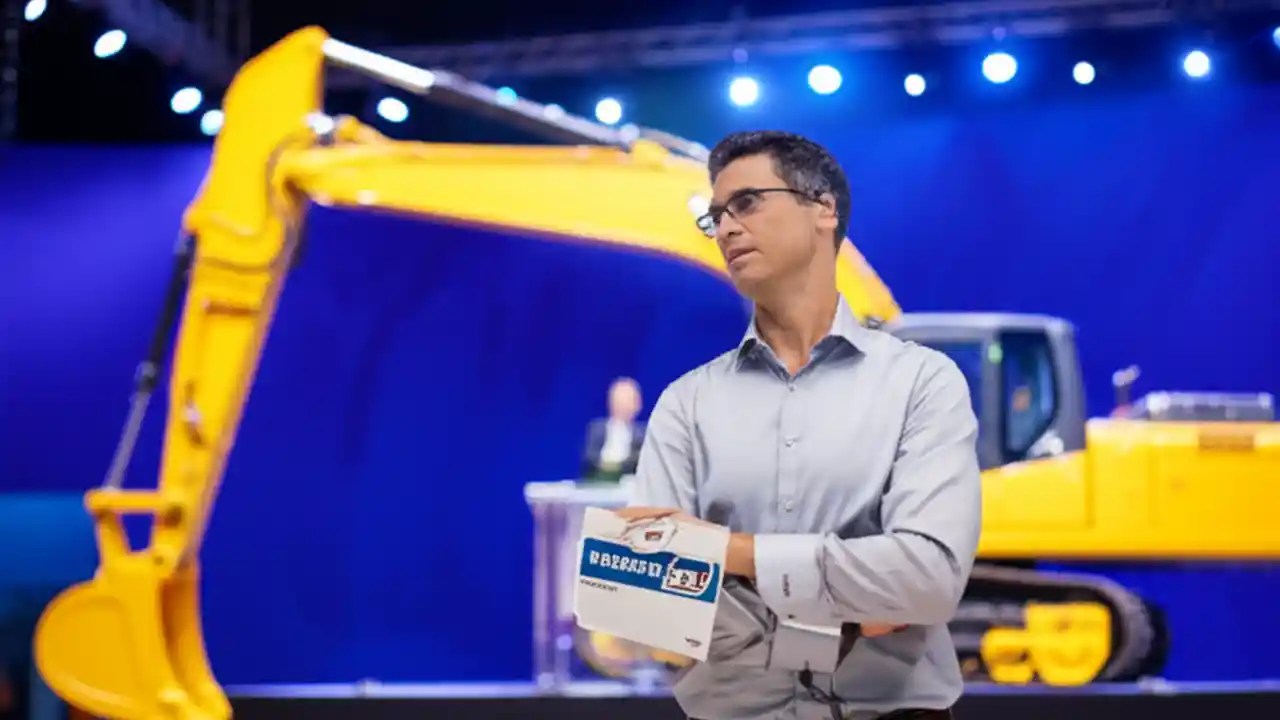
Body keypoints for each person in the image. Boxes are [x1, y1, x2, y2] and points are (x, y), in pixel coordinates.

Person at [616, 131, 981, 720]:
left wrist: (725, 553)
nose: (727, 228)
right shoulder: (686, 404)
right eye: (715, 217)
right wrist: (852, 605)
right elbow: (647, 594)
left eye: (748, 203)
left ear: (823, 208)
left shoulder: (922, 384)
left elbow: (928, 580)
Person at [579, 377, 646, 483]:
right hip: (598, 482)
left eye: (627, 401)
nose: (623, 406)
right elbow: (589, 457)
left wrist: (618, 466)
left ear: (637, 405)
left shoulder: (642, 435)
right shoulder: (596, 429)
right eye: (619, 401)